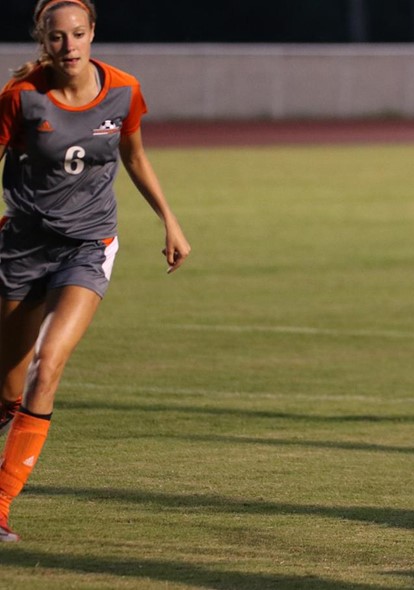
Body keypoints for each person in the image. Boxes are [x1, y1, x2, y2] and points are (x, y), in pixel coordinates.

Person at [0, 0, 191, 542]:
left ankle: (0, 505)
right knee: (7, 392)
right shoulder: (22, 98)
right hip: (21, 249)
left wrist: (169, 222)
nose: (70, 46)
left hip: (87, 244)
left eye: (78, 34)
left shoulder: (124, 90)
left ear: (92, 35)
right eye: (58, 38)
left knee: (48, 364)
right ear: (45, 39)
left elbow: (133, 154)